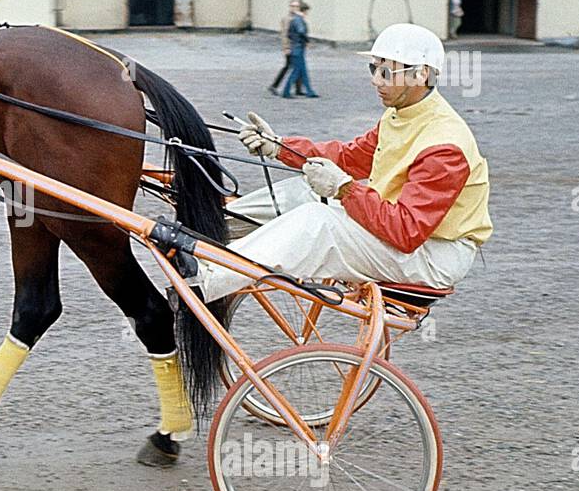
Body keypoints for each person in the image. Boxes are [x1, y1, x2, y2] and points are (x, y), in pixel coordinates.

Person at [199, 22, 492, 304]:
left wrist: (345, 189)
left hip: (433, 256)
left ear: (421, 74)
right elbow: (349, 157)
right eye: (373, 68)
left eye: (387, 72)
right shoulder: (401, 114)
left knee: (319, 221)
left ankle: (206, 278)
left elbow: (406, 231)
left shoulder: (445, 145)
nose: (375, 80)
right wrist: (278, 146)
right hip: (404, 237)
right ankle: (204, 232)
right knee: (306, 192)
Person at [280, 1, 319, 98]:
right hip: (298, 48)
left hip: (295, 47)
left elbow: (289, 34)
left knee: (303, 71)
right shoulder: (299, 20)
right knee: (297, 71)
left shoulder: (293, 20)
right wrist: (307, 41)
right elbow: (301, 31)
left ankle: (310, 91)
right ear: (304, 11)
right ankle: (286, 91)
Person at [269, 0, 300, 94]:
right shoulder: (287, 19)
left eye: (296, 6)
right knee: (288, 66)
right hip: (291, 46)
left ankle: (298, 89)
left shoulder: (298, 18)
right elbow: (284, 34)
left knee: (298, 66)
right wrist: (286, 47)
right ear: (290, 7)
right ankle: (274, 85)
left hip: (297, 46)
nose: (295, 8)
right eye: (293, 6)